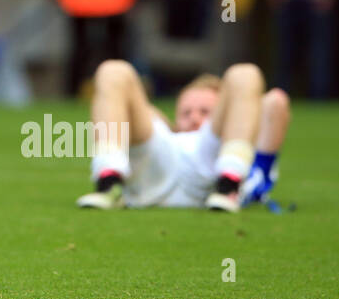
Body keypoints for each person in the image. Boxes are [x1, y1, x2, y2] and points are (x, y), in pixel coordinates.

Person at [76, 59, 268, 213]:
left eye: (204, 111)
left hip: (208, 166)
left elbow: (275, 103)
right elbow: (147, 115)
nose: (194, 117)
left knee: (245, 73)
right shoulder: (166, 134)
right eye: (186, 112)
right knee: (113, 70)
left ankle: (229, 184)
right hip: (157, 166)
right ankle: (109, 182)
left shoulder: (220, 131)